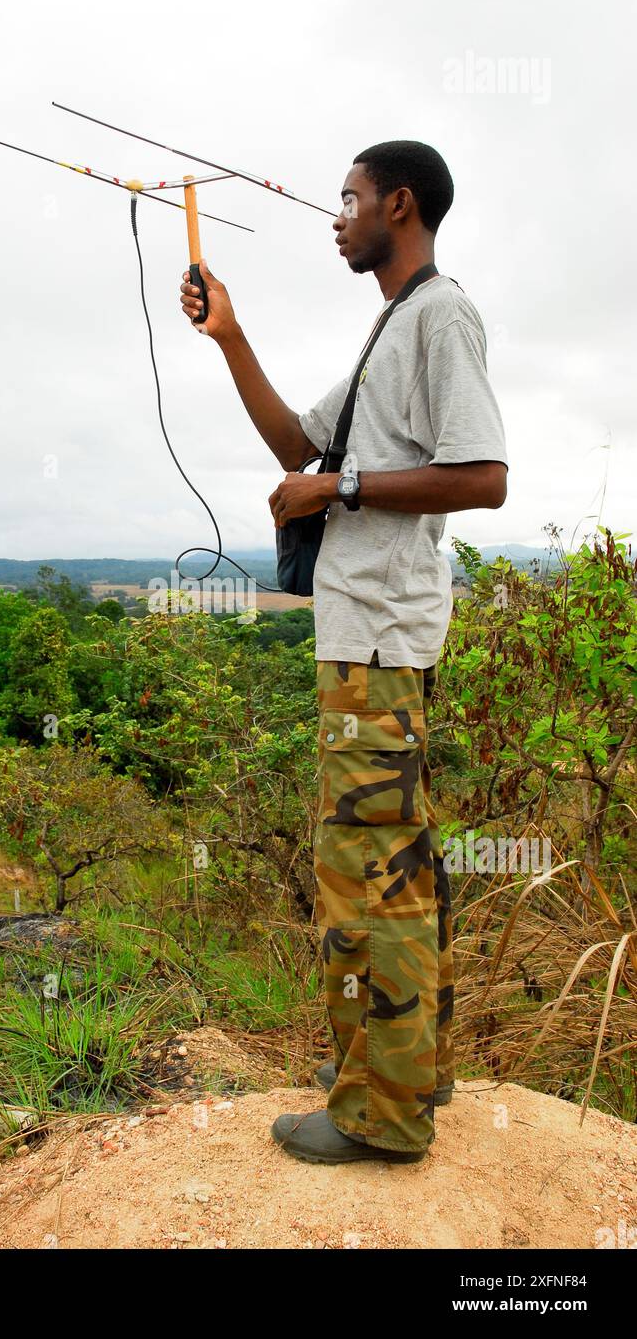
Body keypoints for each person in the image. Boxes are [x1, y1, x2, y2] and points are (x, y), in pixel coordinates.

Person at [179, 140, 508, 1165]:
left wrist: (342, 489)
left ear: (398, 205)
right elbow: (294, 440)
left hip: (379, 636)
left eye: (351, 197)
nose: (338, 214)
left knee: (370, 871)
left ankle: (384, 1113)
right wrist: (231, 336)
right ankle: (399, 1065)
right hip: (367, 636)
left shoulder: (441, 315)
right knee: (389, 857)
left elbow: (485, 475)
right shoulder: (393, 326)